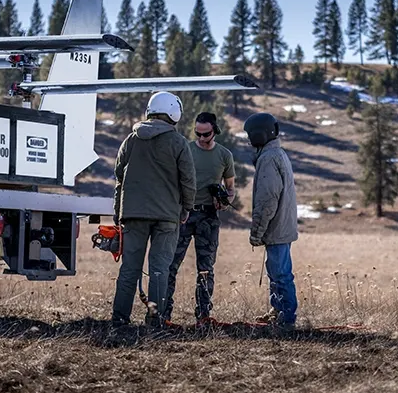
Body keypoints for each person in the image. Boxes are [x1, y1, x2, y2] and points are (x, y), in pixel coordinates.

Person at [111, 91, 196, 328]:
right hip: (167, 216)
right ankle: (155, 319)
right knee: (159, 269)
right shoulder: (178, 142)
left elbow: (119, 177)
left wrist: (118, 212)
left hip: (133, 214)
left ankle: (119, 319)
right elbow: (188, 181)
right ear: (173, 112)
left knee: (130, 268)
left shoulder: (131, 139)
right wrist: (186, 208)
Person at [162, 111, 236, 326]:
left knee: (206, 268)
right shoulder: (185, 150)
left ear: (216, 131)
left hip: (208, 217)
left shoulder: (224, 156)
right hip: (184, 214)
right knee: (170, 266)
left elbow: (231, 188)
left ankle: (203, 316)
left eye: (207, 134)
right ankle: (163, 315)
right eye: (198, 133)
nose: (202, 138)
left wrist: (224, 200)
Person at [244, 112, 298, 329]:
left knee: (280, 274)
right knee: (276, 271)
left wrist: (256, 232)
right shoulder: (277, 153)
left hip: (276, 227)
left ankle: (286, 319)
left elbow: (267, 200)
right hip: (281, 226)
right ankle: (278, 311)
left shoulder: (268, 158)